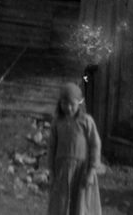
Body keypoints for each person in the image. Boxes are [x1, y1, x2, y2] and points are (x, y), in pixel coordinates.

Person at [46, 83, 102, 215]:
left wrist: (92, 171)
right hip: (62, 171)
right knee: (61, 204)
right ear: (60, 104)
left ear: (80, 103)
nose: (68, 108)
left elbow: (95, 145)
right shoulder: (57, 122)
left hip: (82, 170)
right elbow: (52, 147)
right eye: (64, 103)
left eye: (72, 104)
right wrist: (52, 172)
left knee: (81, 205)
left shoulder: (86, 121)